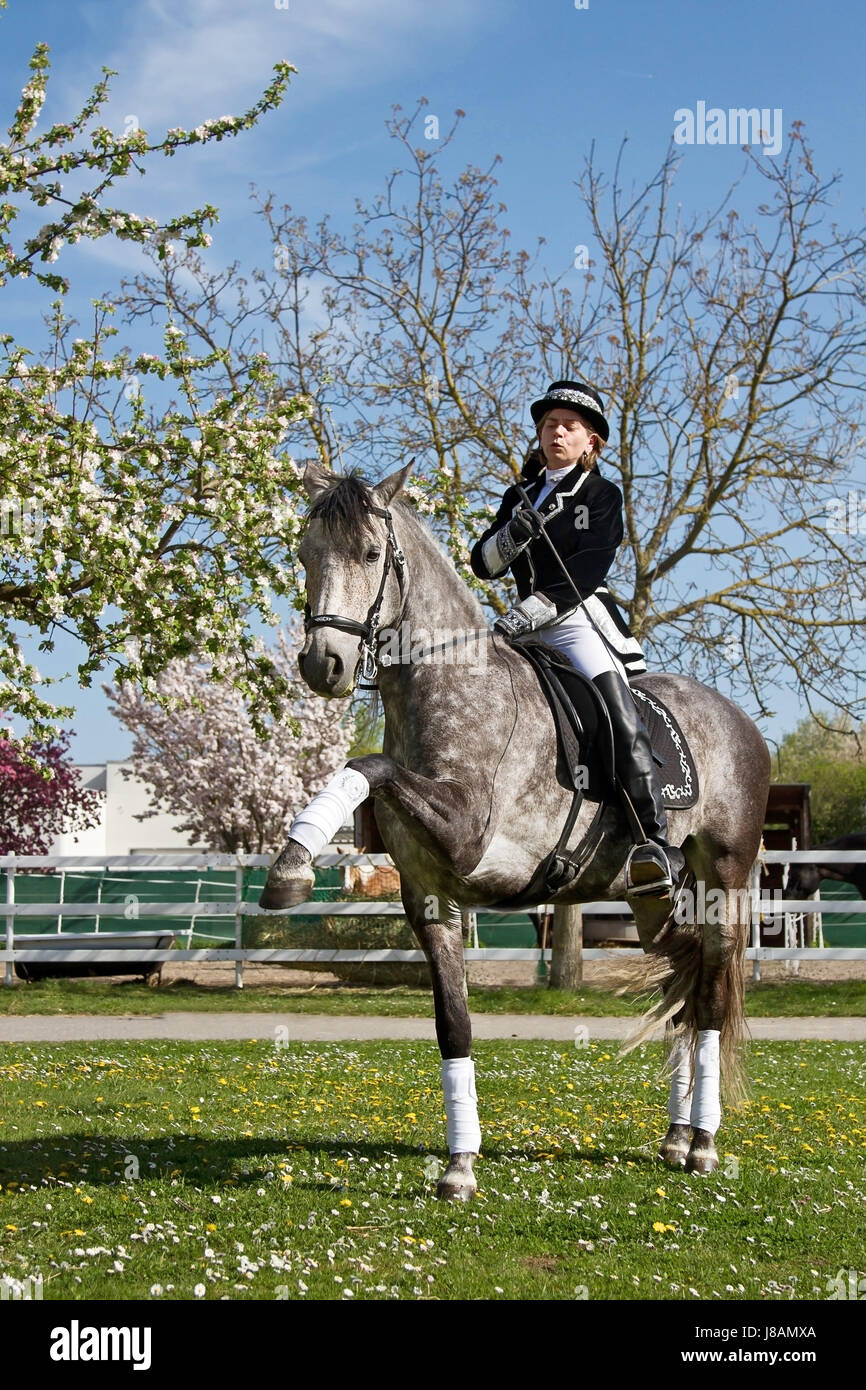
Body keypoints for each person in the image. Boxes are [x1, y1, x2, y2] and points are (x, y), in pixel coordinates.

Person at [470, 379, 685, 897]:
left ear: (591, 441)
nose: (556, 433)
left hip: (577, 620)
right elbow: (482, 565)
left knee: (616, 711)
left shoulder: (601, 495)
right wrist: (510, 535)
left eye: (569, 426)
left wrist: (529, 613)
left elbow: (589, 568)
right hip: (522, 625)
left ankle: (652, 841)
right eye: (549, 425)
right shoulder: (518, 496)